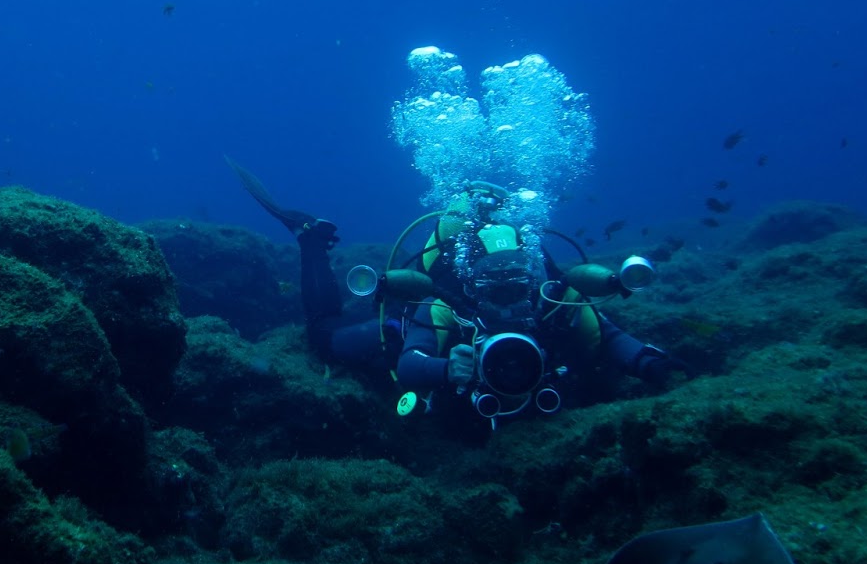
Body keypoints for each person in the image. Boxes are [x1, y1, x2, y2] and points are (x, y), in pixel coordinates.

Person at [229, 161, 682, 425]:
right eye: (493, 287)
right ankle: (310, 241)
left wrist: (653, 366)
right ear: (469, 281)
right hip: (430, 335)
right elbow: (410, 363)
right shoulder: (450, 307)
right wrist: (447, 369)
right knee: (325, 339)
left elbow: (612, 339)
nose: (509, 298)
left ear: (534, 275)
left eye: (518, 285)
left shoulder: (554, 298)